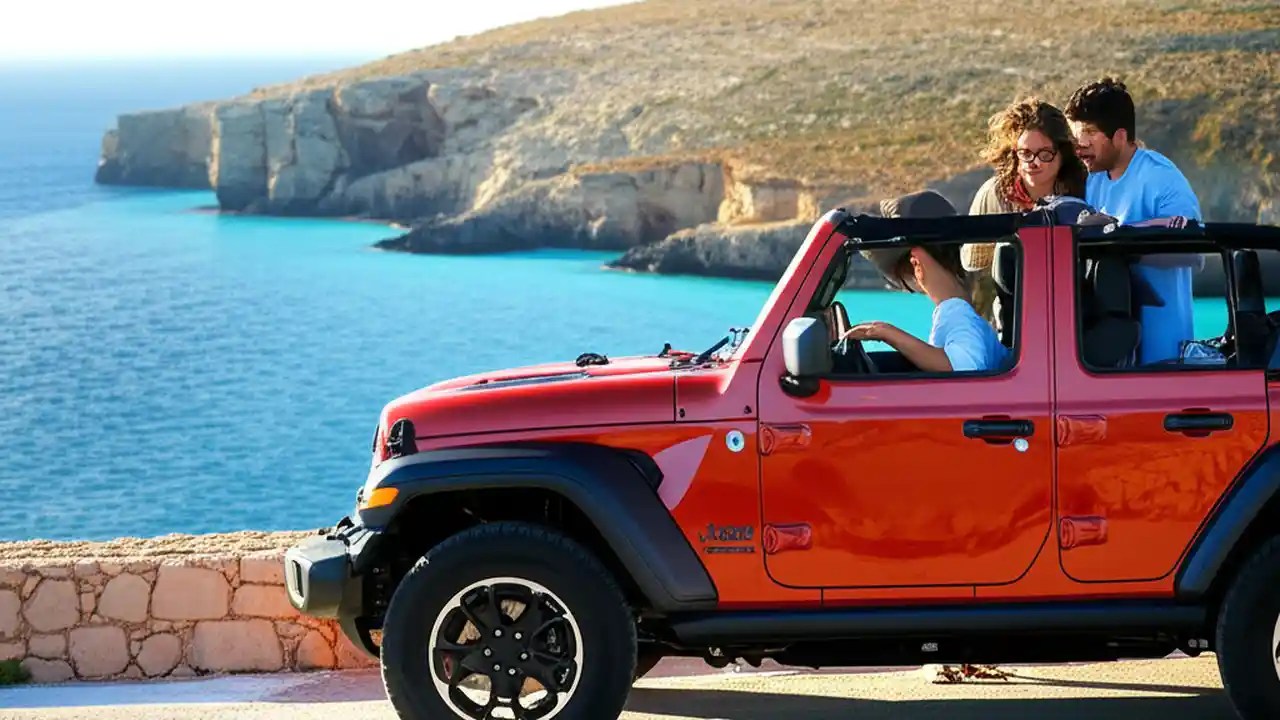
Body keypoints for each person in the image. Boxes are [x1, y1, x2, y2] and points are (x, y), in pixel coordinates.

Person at [1064, 77, 1204, 363]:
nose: (1081, 145)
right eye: (1078, 134)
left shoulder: (1161, 177)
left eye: (1090, 133)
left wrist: (1122, 242)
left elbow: (1194, 254)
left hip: (1163, 355)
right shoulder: (1093, 181)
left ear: (1119, 135)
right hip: (1112, 355)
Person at [964, 98, 1090, 321]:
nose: (1034, 163)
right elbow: (975, 272)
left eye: (1044, 154)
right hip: (1009, 309)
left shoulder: (1084, 189)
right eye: (1025, 153)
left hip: (1074, 305)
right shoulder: (996, 194)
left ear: (1062, 153)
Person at [847, 239, 1009, 374]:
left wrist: (885, 332)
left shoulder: (956, 312)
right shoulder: (966, 314)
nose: (909, 290)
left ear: (916, 264)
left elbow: (965, 368)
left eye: (903, 282)